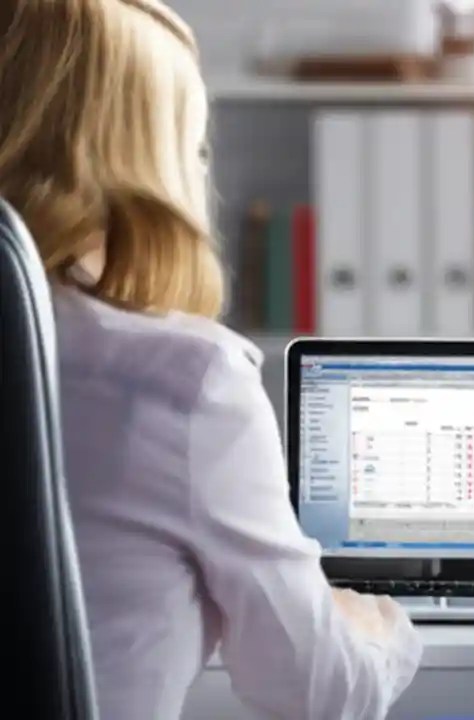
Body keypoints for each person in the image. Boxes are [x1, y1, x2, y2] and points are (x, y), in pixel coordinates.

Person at [0, 1, 424, 717]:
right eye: (192, 144)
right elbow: (318, 692)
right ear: (142, 161)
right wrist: (382, 627)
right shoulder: (182, 380)